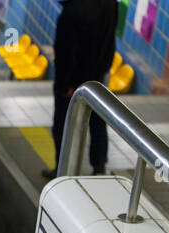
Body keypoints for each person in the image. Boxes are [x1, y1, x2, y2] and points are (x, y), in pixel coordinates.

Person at [42, 0, 119, 179]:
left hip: (72, 81)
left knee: (63, 124)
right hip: (97, 75)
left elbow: (66, 52)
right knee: (97, 121)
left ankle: (63, 169)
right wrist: (104, 67)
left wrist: (65, 84)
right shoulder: (110, 4)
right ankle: (99, 166)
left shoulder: (71, 13)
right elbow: (109, 39)